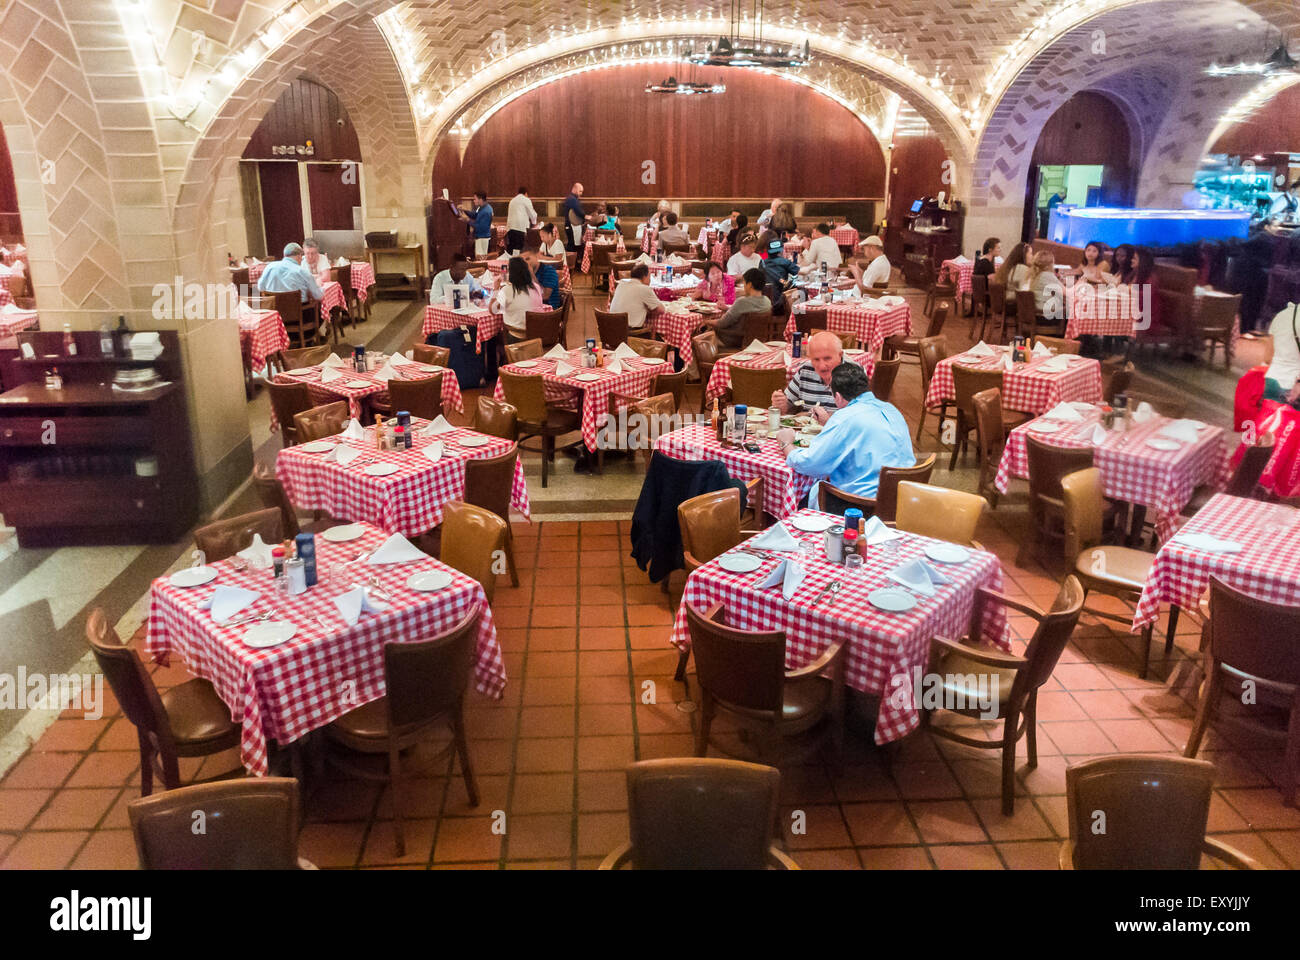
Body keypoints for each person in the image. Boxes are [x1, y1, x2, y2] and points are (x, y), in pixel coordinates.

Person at [774, 363, 915, 502]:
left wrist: (787, 444)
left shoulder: (844, 417)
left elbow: (810, 464)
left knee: (801, 497)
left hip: (863, 504)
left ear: (838, 396)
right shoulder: (891, 409)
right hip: (904, 498)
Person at [773, 331, 842, 421]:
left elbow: (860, 416)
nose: (822, 366)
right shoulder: (806, 370)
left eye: (827, 358)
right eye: (816, 359)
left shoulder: (854, 374)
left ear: (840, 355)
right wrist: (781, 405)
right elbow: (789, 407)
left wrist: (827, 418)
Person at [705, 268, 771, 348]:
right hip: (756, 341)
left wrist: (706, 321)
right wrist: (727, 309)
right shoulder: (767, 301)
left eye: (744, 283)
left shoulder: (742, 302)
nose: (744, 286)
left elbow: (721, 324)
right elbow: (746, 311)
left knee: (701, 334)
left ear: (749, 285)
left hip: (732, 341)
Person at [490, 256, 543, 335]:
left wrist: (496, 289)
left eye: (507, 271)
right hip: (537, 332)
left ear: (511, 274)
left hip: (517, 335)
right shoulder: (536, 287)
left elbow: (493, 310)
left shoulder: (507, 290)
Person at [258, 242, 323, 303]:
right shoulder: (303, 272)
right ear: (299, 256)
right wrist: (319, 286)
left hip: (274, 310)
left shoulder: (270, 267)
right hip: (300, 311)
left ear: (284, 255)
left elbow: (260, 287)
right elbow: (318, 296)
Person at [608, 263, 665, 333]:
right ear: (644, 277)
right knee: (657, 333)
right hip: (629, 332)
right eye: (649, 277)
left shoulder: (621, 284)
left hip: (610, 328)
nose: (650, 281)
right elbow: (661, 310)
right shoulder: (644, 289)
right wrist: (649, 310)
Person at [1264, 300, 1300, 403]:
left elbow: (1267, 358)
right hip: (1293, 387)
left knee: (1271, 418)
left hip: (1272, 381)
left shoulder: (1281, 315)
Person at [523, 247, 563, 311]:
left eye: (528, 259)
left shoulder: (549, 271)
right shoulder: (524, 272)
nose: (525, 263)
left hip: (548, 310)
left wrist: (531, 274)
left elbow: (545, 296)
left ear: (536, 257)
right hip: (532, 306)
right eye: (522, 261)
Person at [1028, 250, 1063, 319]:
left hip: (1035, 315)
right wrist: (1080, 282)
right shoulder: (1047, 275)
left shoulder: (1035, 275)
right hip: (1045, 317)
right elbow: (1067, 293)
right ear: (1049, 265)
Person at [460, 191, 494, 257]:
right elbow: (475, 215)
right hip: (480, 237)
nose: (474, 201)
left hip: (482, 238)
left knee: (480, 259)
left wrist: (468, 220)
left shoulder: (487, 211)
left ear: (480, 199)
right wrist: (465, 210)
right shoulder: (481, 207)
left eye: (475, 199)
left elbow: (480, 227)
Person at [506, 186, 537, 255]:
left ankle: (511, 263)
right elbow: (532, 214)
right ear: (526, 193)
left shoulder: (512, 200)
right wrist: (534, 223)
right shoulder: (526, 200)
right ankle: (517, 263)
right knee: (518, 248)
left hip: (510, 228)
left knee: (512, 248)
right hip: (520, 228)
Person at [563, 182, 588, 251]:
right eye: (580, 191)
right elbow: (578, 211)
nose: (581, 193)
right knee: (573, 247)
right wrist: (585, 216)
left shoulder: (572, 198)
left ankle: (572, 260)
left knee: (572, 245)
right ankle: (573, 260)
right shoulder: (572, 199)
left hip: (570, 225)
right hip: (572, 226)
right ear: (575, 189)